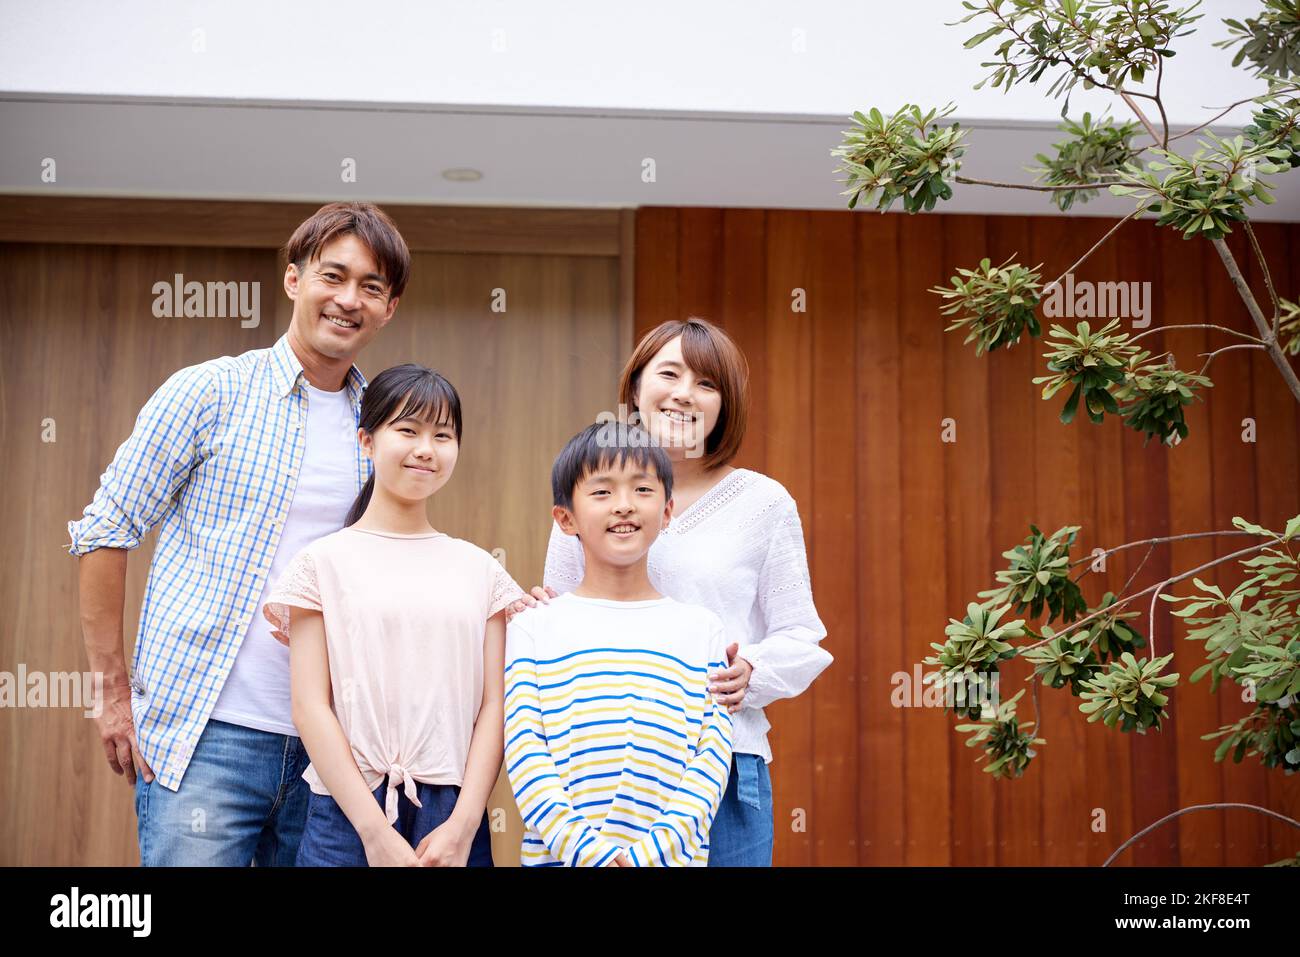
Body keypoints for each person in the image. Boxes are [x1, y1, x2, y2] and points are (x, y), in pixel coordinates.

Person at [68, 202, 410, 865]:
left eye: (371, 287)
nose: (349, 299)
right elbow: (105, 529)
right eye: (332, 276)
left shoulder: (384, 430)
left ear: (389, 307)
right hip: (206, 738)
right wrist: (112, 693)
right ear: (293, 280)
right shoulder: (210, 392)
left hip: (334, 751)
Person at [515, 317, 832, 866]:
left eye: (707, 383)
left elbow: (802, 634)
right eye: (669, 373)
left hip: (723, 763)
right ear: (636, 387)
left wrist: (753, 669)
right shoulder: (588, 489)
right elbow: (565, 607)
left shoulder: (764, 502)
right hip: (594, 761)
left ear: (724, 404)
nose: (684, 393)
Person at [263, 364, 521, 866]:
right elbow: (310, 706)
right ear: (367, 440)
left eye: (442, 435)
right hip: (346, 809)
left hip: (451, 810)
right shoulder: (321, 565)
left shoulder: (481, 571)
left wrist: (465, 825)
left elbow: (496, 705)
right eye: (408, 430)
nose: (426, 448)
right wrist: (374, 833)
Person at [504, 421, 734, 866]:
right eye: (603, 492)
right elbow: (525, 751)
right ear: (565, 518)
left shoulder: (701, 629)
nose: (625, 506)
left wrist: (648, 855)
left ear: (667, 512)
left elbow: (712, 758)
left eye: (642, 490)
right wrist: (591, 854)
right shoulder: (534, 627)